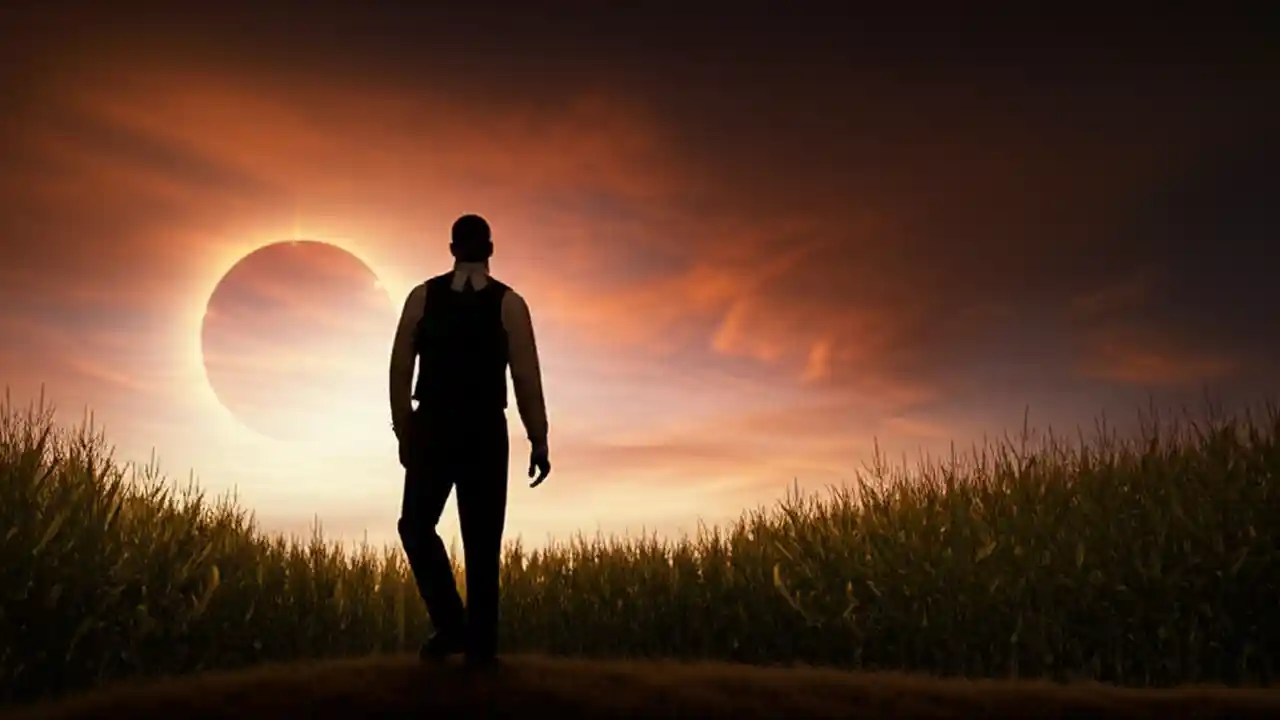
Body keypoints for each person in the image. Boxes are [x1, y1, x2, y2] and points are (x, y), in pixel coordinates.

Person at [388, 213, 551, 668]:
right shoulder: (510, 304)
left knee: (416, 527)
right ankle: (477, 649)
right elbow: (525, 376)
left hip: (434, 424)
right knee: (483, 542)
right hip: (483, 430)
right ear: (491, 248)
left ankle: (451, 624)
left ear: (452, 247)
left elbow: (400, 368)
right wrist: (538, 438)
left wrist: (405, 430)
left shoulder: (422, 297)